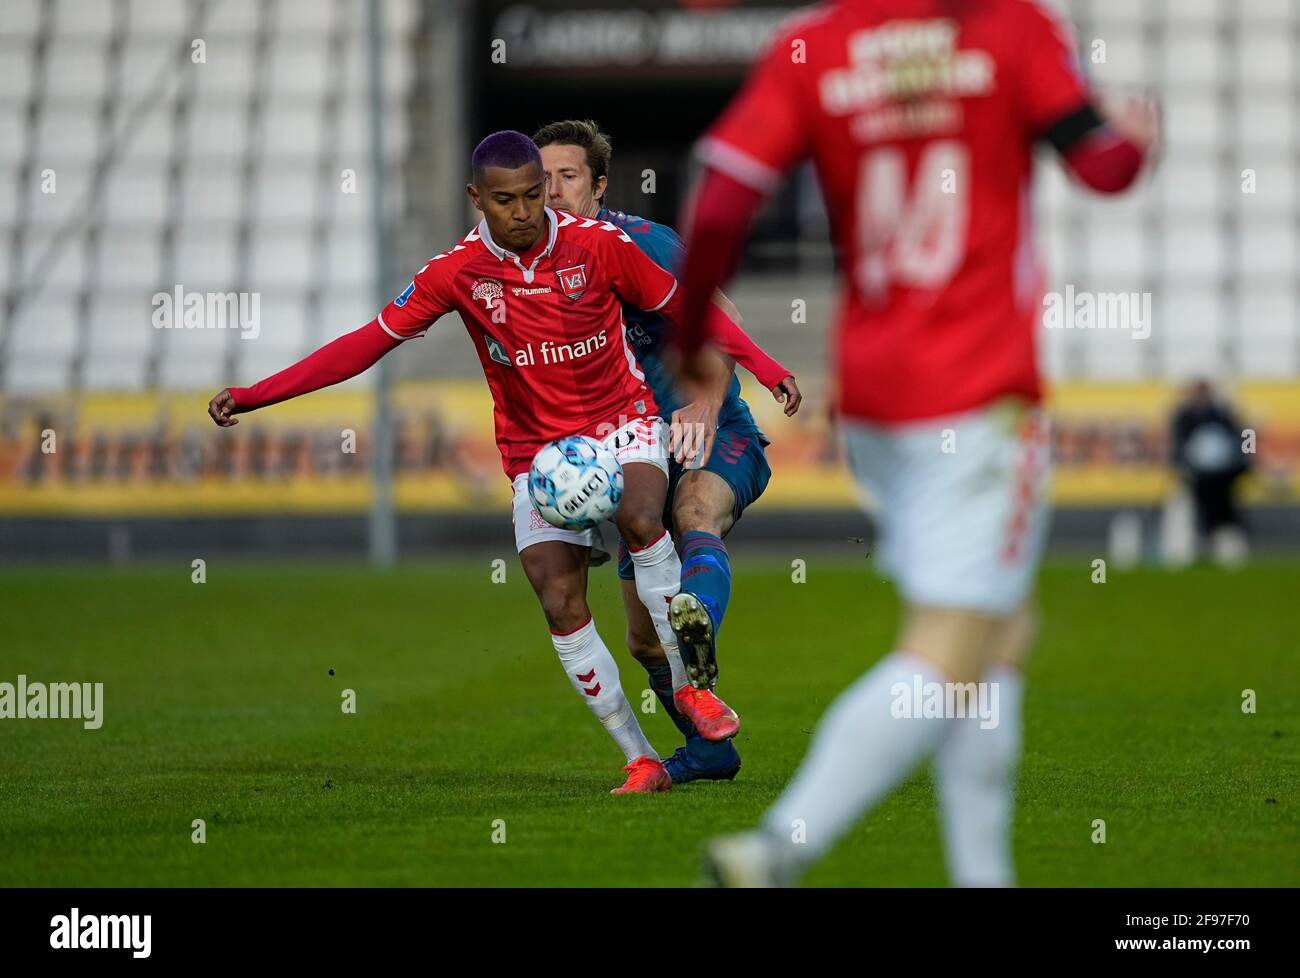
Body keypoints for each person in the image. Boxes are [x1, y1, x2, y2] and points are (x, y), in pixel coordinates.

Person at [669, 1, 1158, 883]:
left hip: (879, 401)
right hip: (979, 397)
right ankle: (780, 847)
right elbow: (1105, 165)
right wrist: (1136, 131)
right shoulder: (1011, 27)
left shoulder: (814, 45)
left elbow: (720, 196)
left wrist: (692, 334)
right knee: (952, 638)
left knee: (999, 630)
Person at [207, 131, 743, 793]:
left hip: (623, 426)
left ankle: (696, 691)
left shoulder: (600, 246)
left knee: (642, 516)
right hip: (538, 458)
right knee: (558, 598)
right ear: (476, 200)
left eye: (533, 195)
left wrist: (766, 372)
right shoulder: (456, 271)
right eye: (505, 200)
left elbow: (700, 313)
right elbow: (365, 344)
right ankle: (640, 759)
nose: (522, 211)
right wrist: (257, 395)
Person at [534, 118, 803, 784]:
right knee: (641, 640)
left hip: (713, 432)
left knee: (695, 511)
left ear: (598, 186)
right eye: (540, 180)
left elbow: (721, 319)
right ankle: (710, 749)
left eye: (568, 177)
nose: (554, 191)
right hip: (632, 457)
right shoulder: (530, 268)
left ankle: (698, 622)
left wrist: (707, 404)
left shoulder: (646, 243)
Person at [1170, 379, 1251, 565]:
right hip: (1196, 479)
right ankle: (1192, 553)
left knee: (1227, 517)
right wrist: (1183, 467)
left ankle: (1232, 556)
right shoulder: (1184, 417)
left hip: (1223, 479)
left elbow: (1246, 440)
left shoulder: (1224, 416)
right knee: (1193, 515)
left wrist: (1242, 465)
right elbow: (1177, 447)